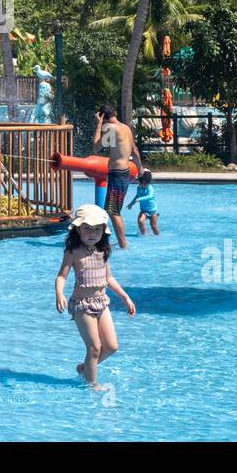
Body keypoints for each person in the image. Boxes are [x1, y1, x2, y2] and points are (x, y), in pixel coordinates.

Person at [55, 204, 136, 389]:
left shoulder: (103, 251)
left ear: (103, 231)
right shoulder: (73, 252)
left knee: (112, 347)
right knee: (94, 347)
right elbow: (61, 276)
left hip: (102, 303)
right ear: (78, 229)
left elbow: (108, 278)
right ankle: (91, 385)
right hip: (82, 305)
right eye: (87, 229)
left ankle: (85, 368)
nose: (92, 233)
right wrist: (59, 293)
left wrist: (125, 297)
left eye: (97, 229)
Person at [93, 105, 144, 249]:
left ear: (103, 116)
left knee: (113, 210)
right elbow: (134, 150)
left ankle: (123, 245)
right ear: (115, 113)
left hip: (117, 174)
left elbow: (96, 148)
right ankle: (115, 242)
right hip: (125, 171)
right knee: (112, 209)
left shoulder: (110, 127)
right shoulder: (125, 128)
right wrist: (140, 169)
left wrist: (99, 124)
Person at [128, 168, 159, 236]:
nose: (143, 185)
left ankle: (158, 236)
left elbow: (150, 196)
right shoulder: (139, 188)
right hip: (143, 211)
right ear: (139, 181)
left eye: (145, 184)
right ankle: (144, 235)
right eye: (142, 183)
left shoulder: (150, 188)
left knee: (153, 226)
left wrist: (140, 199)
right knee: (140, 221)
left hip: (153, 211)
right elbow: (137, 196)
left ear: (148, 182)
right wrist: (131, 204)